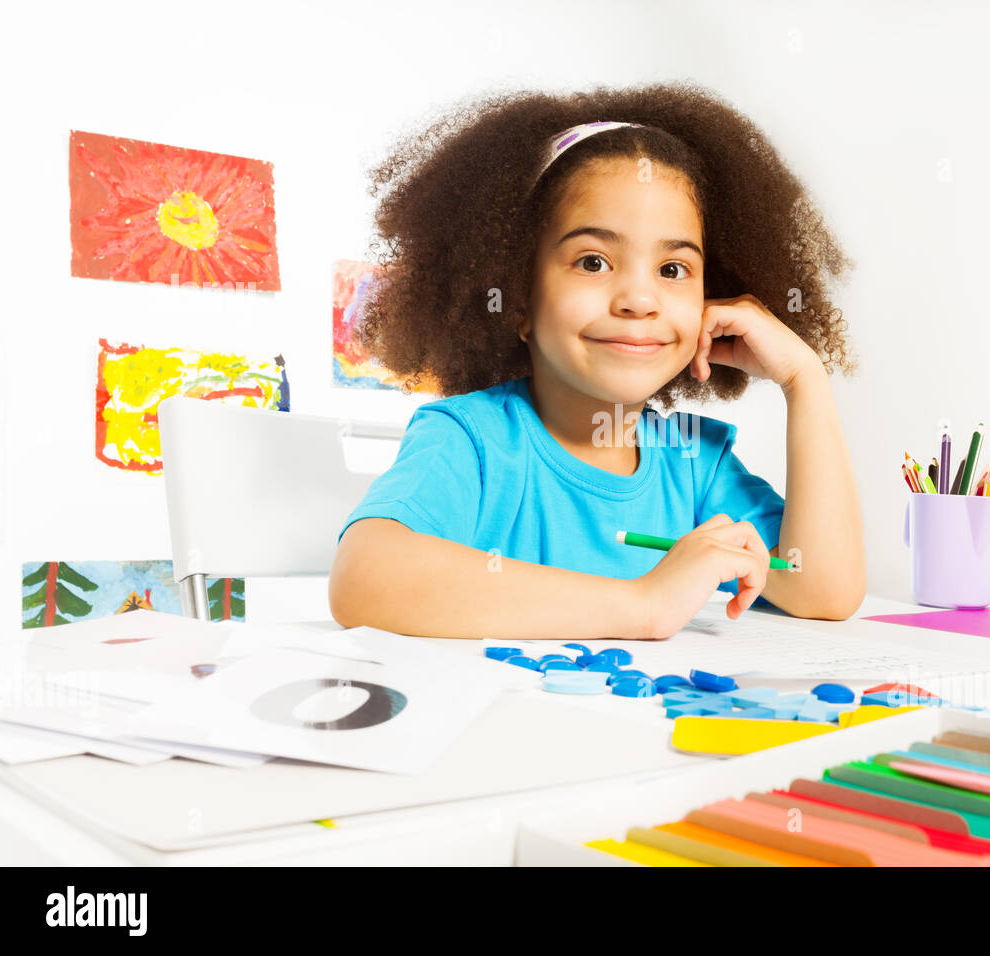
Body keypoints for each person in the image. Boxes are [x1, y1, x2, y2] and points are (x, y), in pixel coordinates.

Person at [329, 82, 865, 641]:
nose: (639, 299)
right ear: (519, 299)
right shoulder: (472, 442)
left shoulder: (692, 463)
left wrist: (806, 381)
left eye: (673, 269)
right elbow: (362, 577)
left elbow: (822, 588)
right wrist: (644, 604)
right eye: (592, 261)